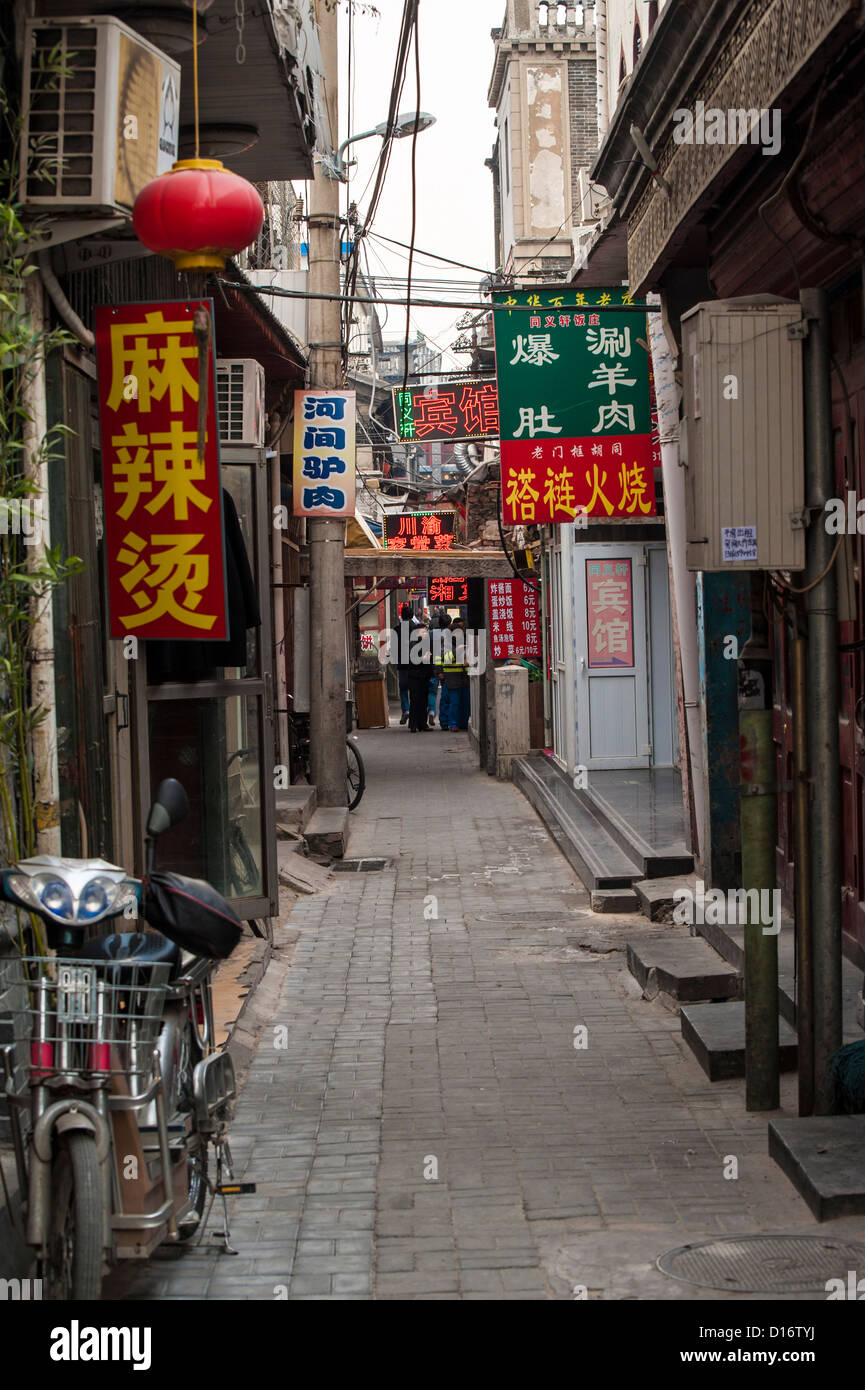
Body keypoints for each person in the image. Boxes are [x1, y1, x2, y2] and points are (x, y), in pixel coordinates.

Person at [405, 612, 433, 732]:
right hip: (414, 676)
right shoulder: (413, 643)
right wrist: (423, 658)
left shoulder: (427, 643)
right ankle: (413, 724)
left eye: (426, 631)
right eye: (423, 632)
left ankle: (423, 724)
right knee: (415, 700)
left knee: (424, 700)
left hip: (424, 675)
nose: (425, 634)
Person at [441, 617, 470, 731]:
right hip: (452, 678)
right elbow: (446, 659)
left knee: (465, 703)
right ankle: (453, 723)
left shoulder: (465, 643)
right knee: (454, 703)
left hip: (464, 678)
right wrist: (457, 650)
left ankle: (464, 723)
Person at [395, 602, 413, 725]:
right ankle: (414, 712)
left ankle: (406, 709)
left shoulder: (397, 630)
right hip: (415, 665)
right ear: (412, 615)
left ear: (402, 615)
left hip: (402, 664)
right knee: (414, 689)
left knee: (403, 689)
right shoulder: (417, 629)